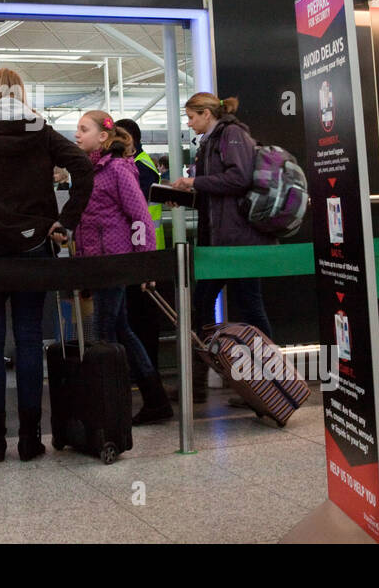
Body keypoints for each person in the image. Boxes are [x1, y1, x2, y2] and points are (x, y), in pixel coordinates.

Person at [0, 68, 93, 462]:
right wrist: (68, 220)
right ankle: (30, 438)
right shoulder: (41, 132)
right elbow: (83, 166)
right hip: (33, 250)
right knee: (29, 341)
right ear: (22, 94)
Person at [172, 92, 276, 405]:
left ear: (206, 113)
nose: (189, 124)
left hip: (239, 240)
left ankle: (266, 383)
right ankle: (202, 384)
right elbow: (220, 189)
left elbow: (239, 178)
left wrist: (195, 184)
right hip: (221, 240)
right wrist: (184, 193)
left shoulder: (231, 135)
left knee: (247, 309)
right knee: (207, 307)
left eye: (192, 117)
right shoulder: (212, 140)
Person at [73, 111, 173, 425]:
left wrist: (143, 265)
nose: (77, 134)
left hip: (115, 263)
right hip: (98, 264)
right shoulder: (89, 171)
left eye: (83, 129)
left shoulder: (117, 170)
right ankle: (154, 398)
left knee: (105, 334)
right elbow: (86, 222)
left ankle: (109, 407)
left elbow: (140, 216)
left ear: (103, 136)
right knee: (120, 330)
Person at [114, 118, 166, 373]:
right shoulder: (131, 164)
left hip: (145, 251)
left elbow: (134, 210)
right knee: (133, 315)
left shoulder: (140, 167)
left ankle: (148, 371)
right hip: (139, 249)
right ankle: (143, 371)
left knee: (142, 316)